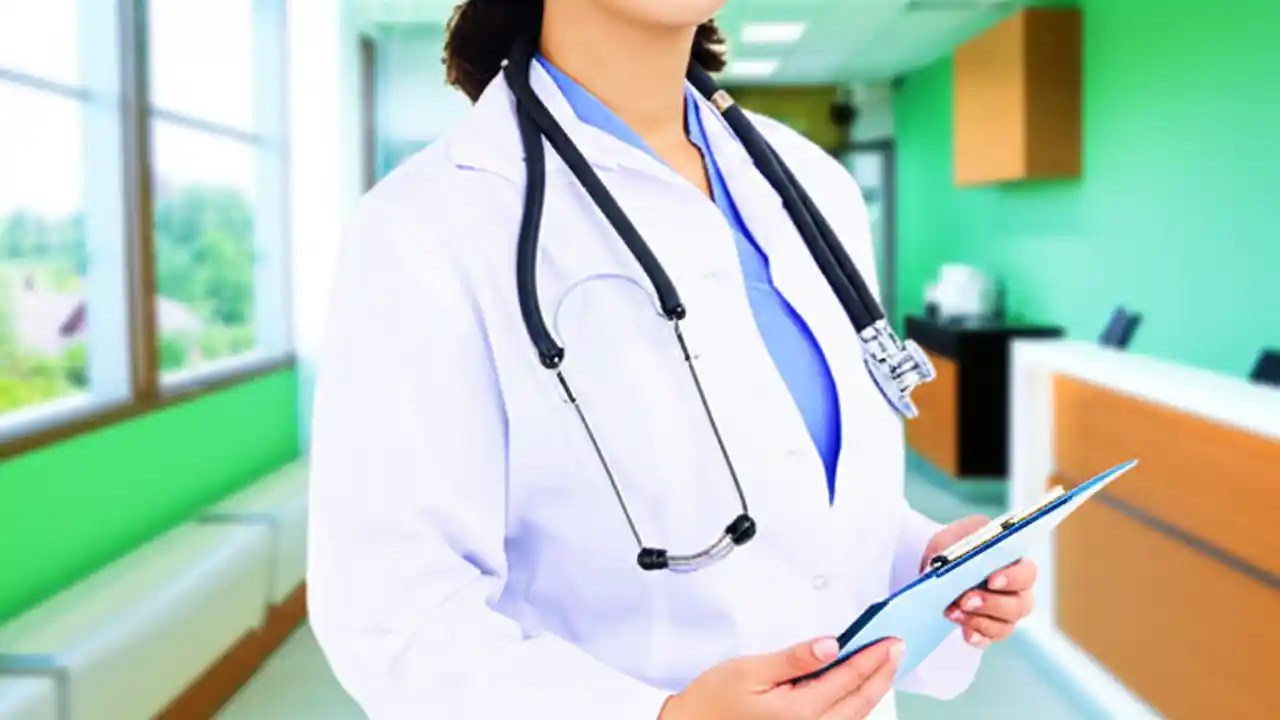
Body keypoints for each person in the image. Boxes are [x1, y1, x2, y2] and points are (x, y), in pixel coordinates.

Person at [307, 1, 1038, 718]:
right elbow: (391, 612)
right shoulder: (429, 225)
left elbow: (802, 502)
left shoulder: (811, 188)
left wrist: (923, 564)